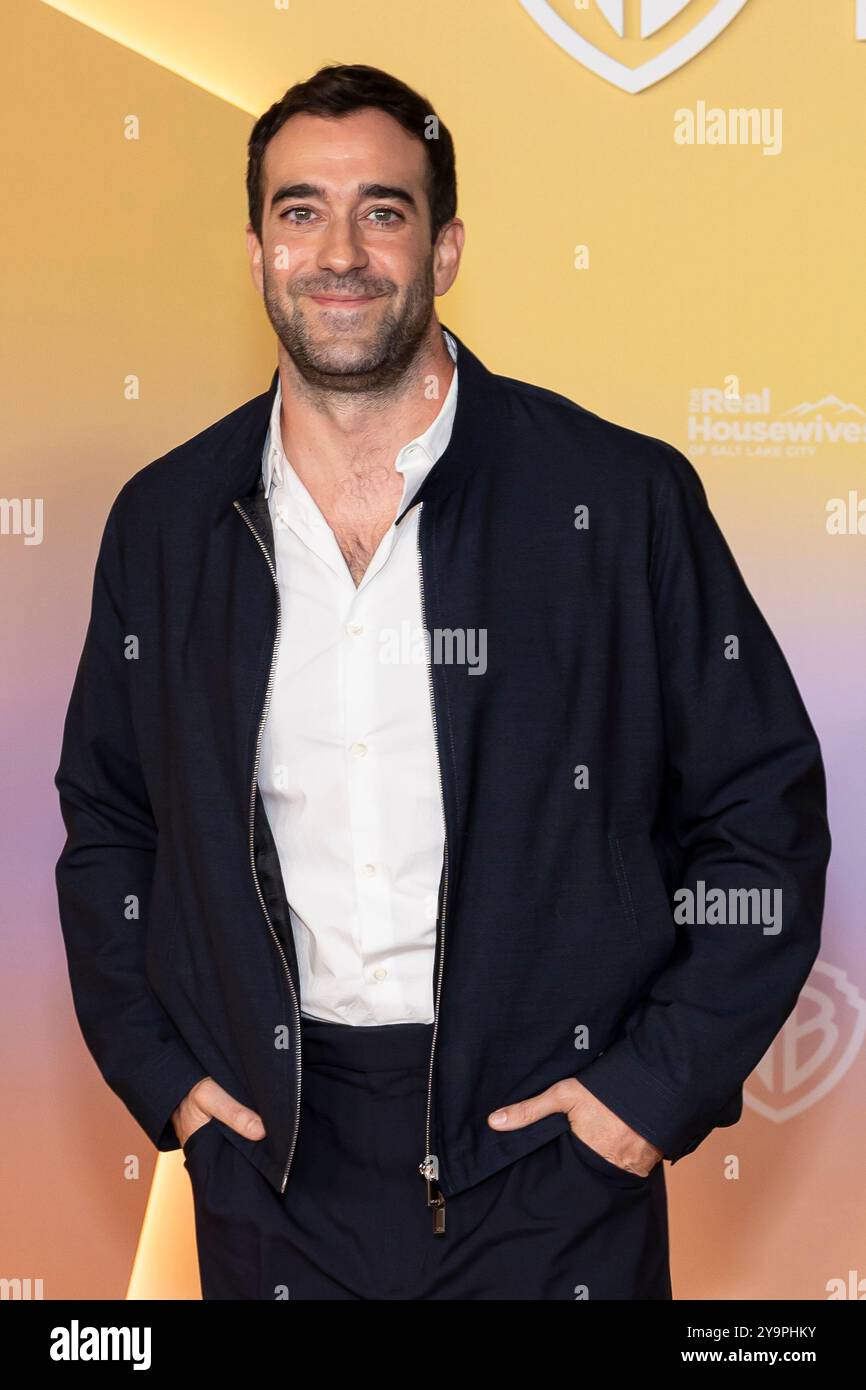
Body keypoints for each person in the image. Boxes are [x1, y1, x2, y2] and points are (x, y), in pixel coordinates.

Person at [54, 63, 831, 1301]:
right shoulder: (165, 523)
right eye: (301, 212)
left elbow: (761, 816)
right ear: (256, 250)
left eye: (385, 210)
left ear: (446, 247)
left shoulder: (616, 501)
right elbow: (109, 827)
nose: (341, 252)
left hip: (550, 1159)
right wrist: (165, 1078)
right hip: (267, 1160)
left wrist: (645, 1093)